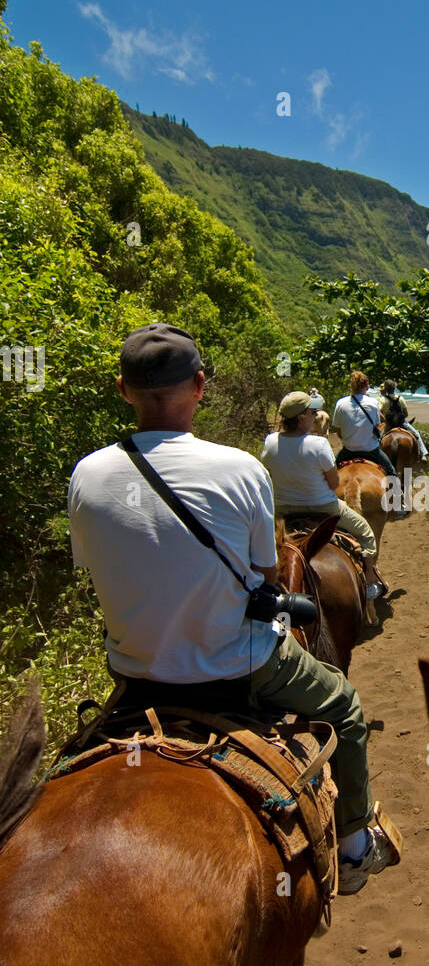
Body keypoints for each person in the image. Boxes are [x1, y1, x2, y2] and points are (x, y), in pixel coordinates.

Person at [67, 322, 397, 895]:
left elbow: (97, 569)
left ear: (123, 389)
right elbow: (266, 573)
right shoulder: (237, 469)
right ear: (199, 385)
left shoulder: (87, 473)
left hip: (134, 671)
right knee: (344, 706)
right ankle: (353, 845)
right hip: (236, 664)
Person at [261, 391, 387, 601]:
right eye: (313, 412)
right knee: (365, 532)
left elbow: (268, 472)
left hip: (281, 510)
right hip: (324, 507)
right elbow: (334, 483)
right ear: (301, 418)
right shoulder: (318, 444)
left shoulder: (271, 441)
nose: (316, 416)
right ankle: (371, 580)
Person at [331, 371, 397, 477]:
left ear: (351, 386)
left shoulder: (340, 403)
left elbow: (339, 431)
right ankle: (399, 493)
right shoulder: (373, 403)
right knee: (392, 472)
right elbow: (376, 426)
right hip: (371, 449)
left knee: (330, 473)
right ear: (366, 386)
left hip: (349, 449)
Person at [379, 379, 429, 460]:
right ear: (394, 388)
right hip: (401, 422)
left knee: (378, 439)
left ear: (385, 389)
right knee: (416, 434)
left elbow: (379, 413)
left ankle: (377, 458)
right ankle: (423, 453)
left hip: (388, 424)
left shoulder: (383, 400)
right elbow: (406, 414)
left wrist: (385, 420)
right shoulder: (400, 398)